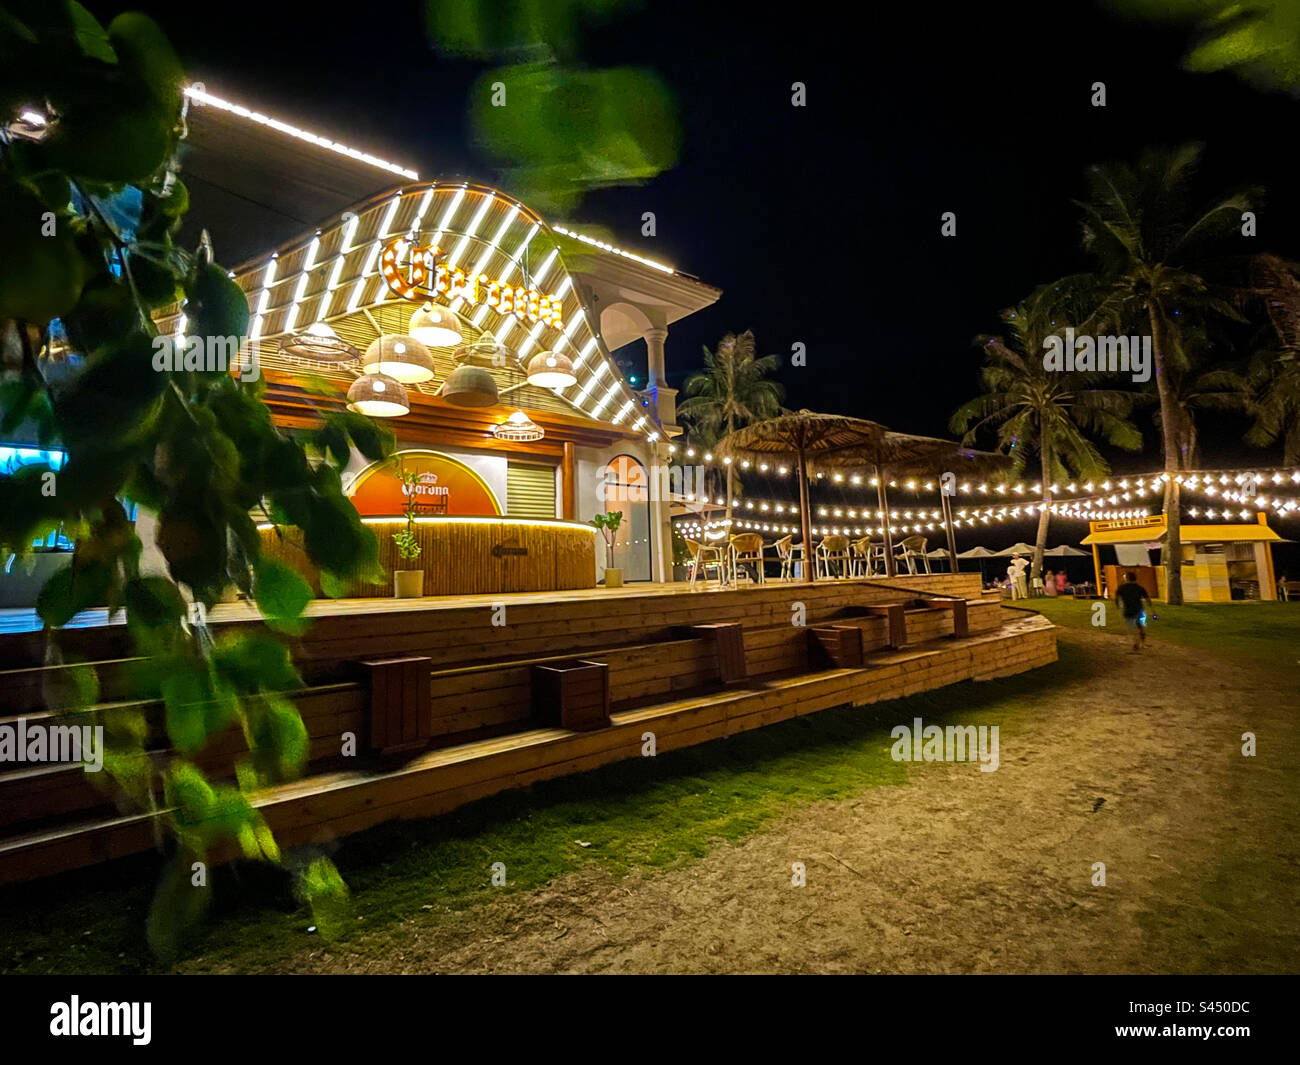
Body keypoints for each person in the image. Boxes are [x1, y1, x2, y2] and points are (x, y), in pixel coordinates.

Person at [1115, 571, 1150, 652]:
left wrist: (1117, 606)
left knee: (1131, 627)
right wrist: (1152, 610)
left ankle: (1136, 641)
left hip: (1128, 609)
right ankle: (1143, 643)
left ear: (1126, 578)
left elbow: (1117, 598)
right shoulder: (1139, 587)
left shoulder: (1121, 587)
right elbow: (1147, 599)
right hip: (1139, 609)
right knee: (1141, 626)